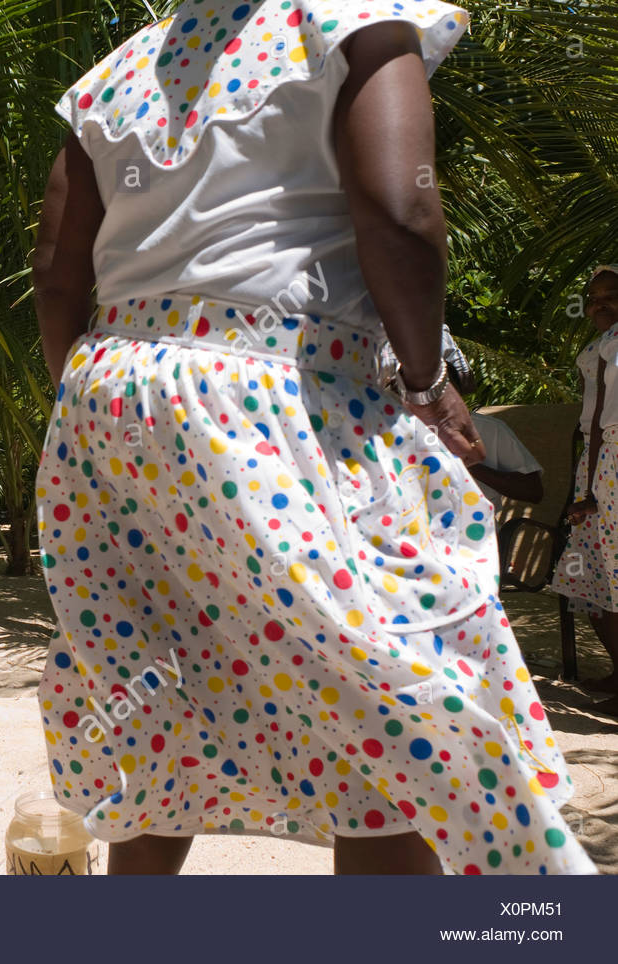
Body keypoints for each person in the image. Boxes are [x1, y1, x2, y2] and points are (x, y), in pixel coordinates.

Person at [32, 1, 594, 874]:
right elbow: (400, 211)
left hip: (109, 394)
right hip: (268, 392)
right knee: (381, 676)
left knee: (161, 666)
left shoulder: (114, 76)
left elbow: (54, 272)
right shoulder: (353, 21)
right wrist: (427, 382)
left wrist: (99, 405)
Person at [380, 327, 544, 511]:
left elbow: (533, 491)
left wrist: (465, 463)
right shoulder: (386, 431)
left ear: (453, 395)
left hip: (471, 530)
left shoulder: (488, 429)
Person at [550, 265, 618, 691]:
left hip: (606, 468)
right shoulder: (598, 349)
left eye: (610, 295)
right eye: (593, 298)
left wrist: (593, 490)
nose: (599, 304)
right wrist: (589, 487)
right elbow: (589, 422)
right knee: (594, 575)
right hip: (601, 467)